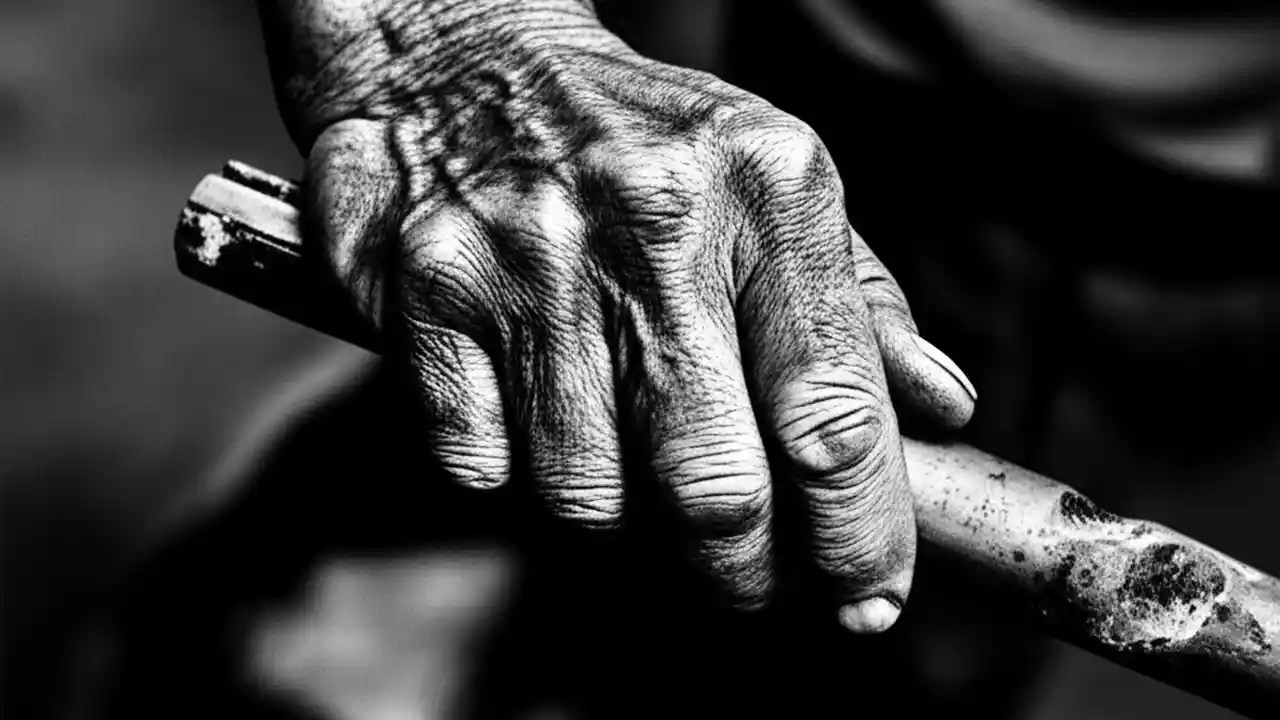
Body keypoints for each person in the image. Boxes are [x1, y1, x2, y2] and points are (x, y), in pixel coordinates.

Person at [74, 2, 1280, 719]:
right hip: (859, 77)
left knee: (863, 650)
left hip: (1211, 237)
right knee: (556, 346)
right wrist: (452, 35)